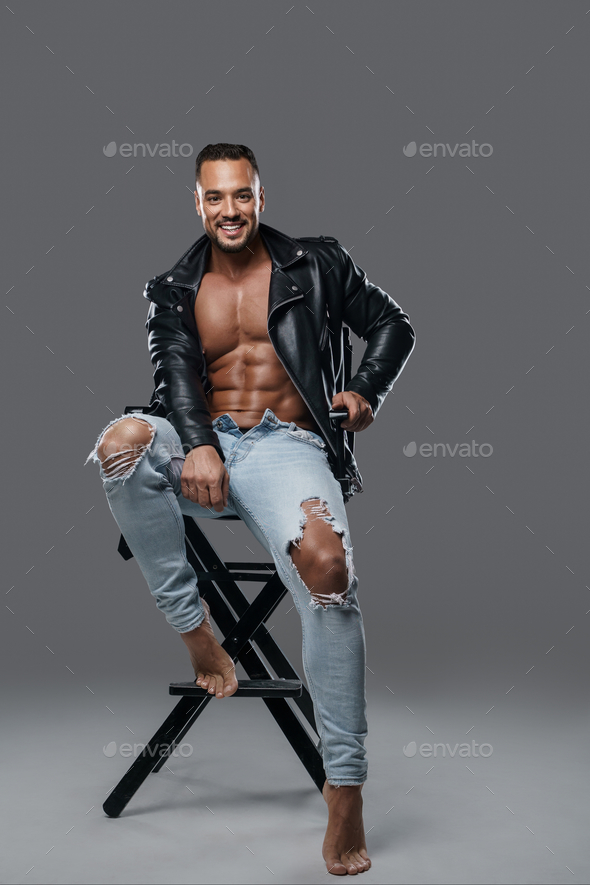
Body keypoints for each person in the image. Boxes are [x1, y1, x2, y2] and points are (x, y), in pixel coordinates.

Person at [85, 143, 416, 876]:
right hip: (202, 438)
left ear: (262, 198)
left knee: (330, 574)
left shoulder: (318, 262)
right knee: (121, 443)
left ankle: (346, 785)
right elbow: (173, 374)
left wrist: (364, 391)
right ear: (197, 203)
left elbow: (395, 324)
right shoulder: (172, 286)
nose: (229, 210)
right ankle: (196, 630)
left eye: (242, 195)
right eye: (214, 198)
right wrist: (198, 443)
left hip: (285, 444)